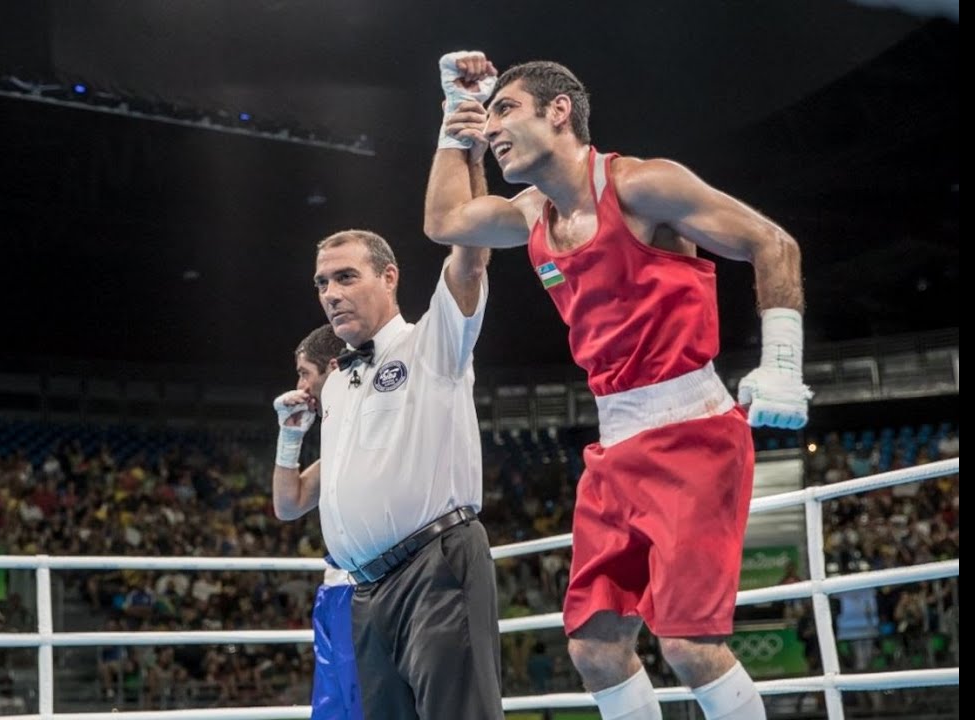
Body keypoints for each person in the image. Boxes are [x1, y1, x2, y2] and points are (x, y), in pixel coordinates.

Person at [424, 51, 812, 720]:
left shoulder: (641, 185)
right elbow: (445, 223)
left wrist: (782, 363)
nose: (493, 127)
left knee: (690, 646)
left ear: (559, 110)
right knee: (596, 650)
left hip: (693, 433)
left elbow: (772, 242)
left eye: (505, 109)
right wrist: (451, 129)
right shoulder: (530, 216)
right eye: (488, 118)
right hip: (616, 448)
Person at [272, 228, 502, 719]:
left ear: (389, 277)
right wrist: (290, 437)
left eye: (346, 277)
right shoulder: (335, 387)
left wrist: (458, 152)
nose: (331, 293)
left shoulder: (432, 344)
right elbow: (290, 504)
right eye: (322, 283)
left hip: (434, 566)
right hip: (365, 590)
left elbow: (470, 260)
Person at [274, 324, 363, 719]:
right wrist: (289, 438)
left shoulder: (369, 427)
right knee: (334, 710)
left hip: (370, 592)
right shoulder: (339, 438)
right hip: (336, 591)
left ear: (331, 367)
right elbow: (287, 505)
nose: (300, 386)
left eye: (305, 373)